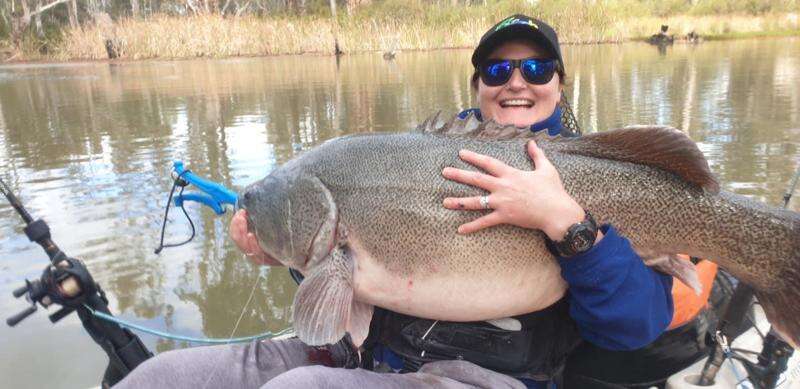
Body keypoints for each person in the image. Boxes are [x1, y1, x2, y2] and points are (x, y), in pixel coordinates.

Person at [115, 14, 683, 389]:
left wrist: (568, 225)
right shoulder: (424, 153)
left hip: (483, 377)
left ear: (560, 84)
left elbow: (632, 329)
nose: (516, 82)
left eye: (535, 68)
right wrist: (286, 256)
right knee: (155, 379)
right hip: (367, 358)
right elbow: (340, 285)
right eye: (497, 69)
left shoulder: (610, 176)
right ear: (478, 86)